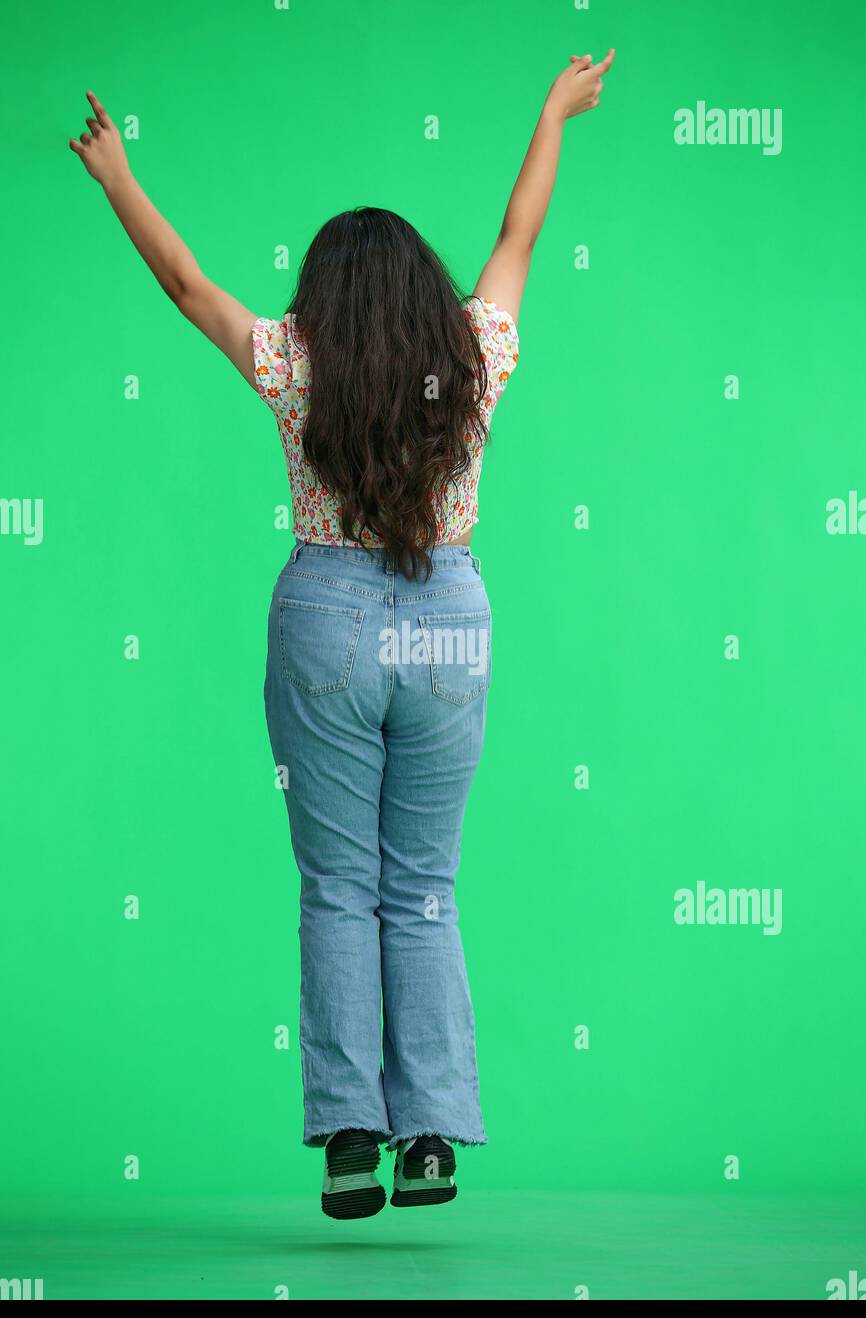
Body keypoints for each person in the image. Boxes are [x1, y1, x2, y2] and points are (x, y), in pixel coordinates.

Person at [69, 47, 615, 1220]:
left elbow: (185, 285)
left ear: (323, 297)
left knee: (337, 887)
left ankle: (350, 1141)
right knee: (421, 886)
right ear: (418, 292)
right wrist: (551, 110)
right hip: (447, 628)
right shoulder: (471, 360)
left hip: (323, 619)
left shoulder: (289, 359)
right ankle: (431, 1140)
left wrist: (118, 178)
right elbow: (519, 238)